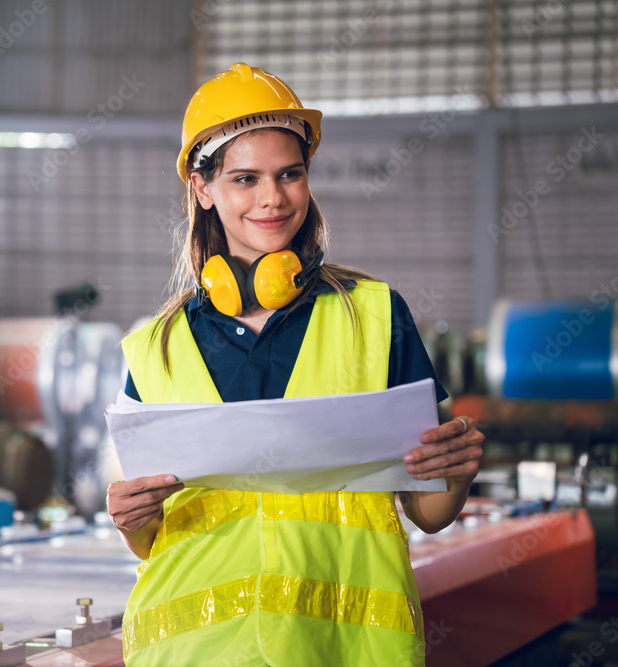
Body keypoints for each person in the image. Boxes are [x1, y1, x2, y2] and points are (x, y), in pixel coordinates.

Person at [106, 63, 485, 667]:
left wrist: (457, 474)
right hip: (193, 654)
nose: (273, 198)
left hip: (342, 649)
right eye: (244, 179)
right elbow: (151, 537)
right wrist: (130, 521)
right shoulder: (157, 346)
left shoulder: (374, 317)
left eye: (290, 174)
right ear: (204, 189)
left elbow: (426, 511)